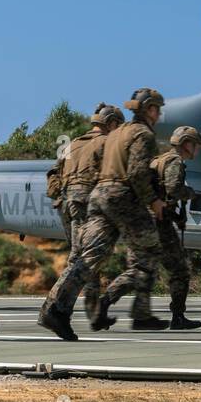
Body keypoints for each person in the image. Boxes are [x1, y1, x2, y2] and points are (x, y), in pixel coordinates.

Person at [38, 87, 166, 340]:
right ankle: (138, 314)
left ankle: (55, 309)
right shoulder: (141, 134)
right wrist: (154, 201)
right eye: (157, 109)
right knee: (150, 251)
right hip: (120, 197)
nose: (159, 114)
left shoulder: (109, 136)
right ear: (150, 109)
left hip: (94, 199)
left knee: (87, 258)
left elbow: (54, 172)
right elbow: (138, 173)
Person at [47, 103, 124, 325]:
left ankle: (94, 314)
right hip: (86, 205)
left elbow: (53, 172)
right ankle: (55, 308)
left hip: (66, 205)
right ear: (110, 123)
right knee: (83, 260)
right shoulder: (106, 143)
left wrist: (62, 194)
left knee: (89, 259)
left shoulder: (72, 145)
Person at [149, 125, 201, 329]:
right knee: (180, 270)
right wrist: (189, 193)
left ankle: (105, 303)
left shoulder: (159, 159)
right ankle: (178, 317)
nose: (197, 150)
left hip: (151, 220)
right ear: (186, 144)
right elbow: (173, 188)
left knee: (141, 269)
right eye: (195, 145)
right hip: (159, 222)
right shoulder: (175, 161)